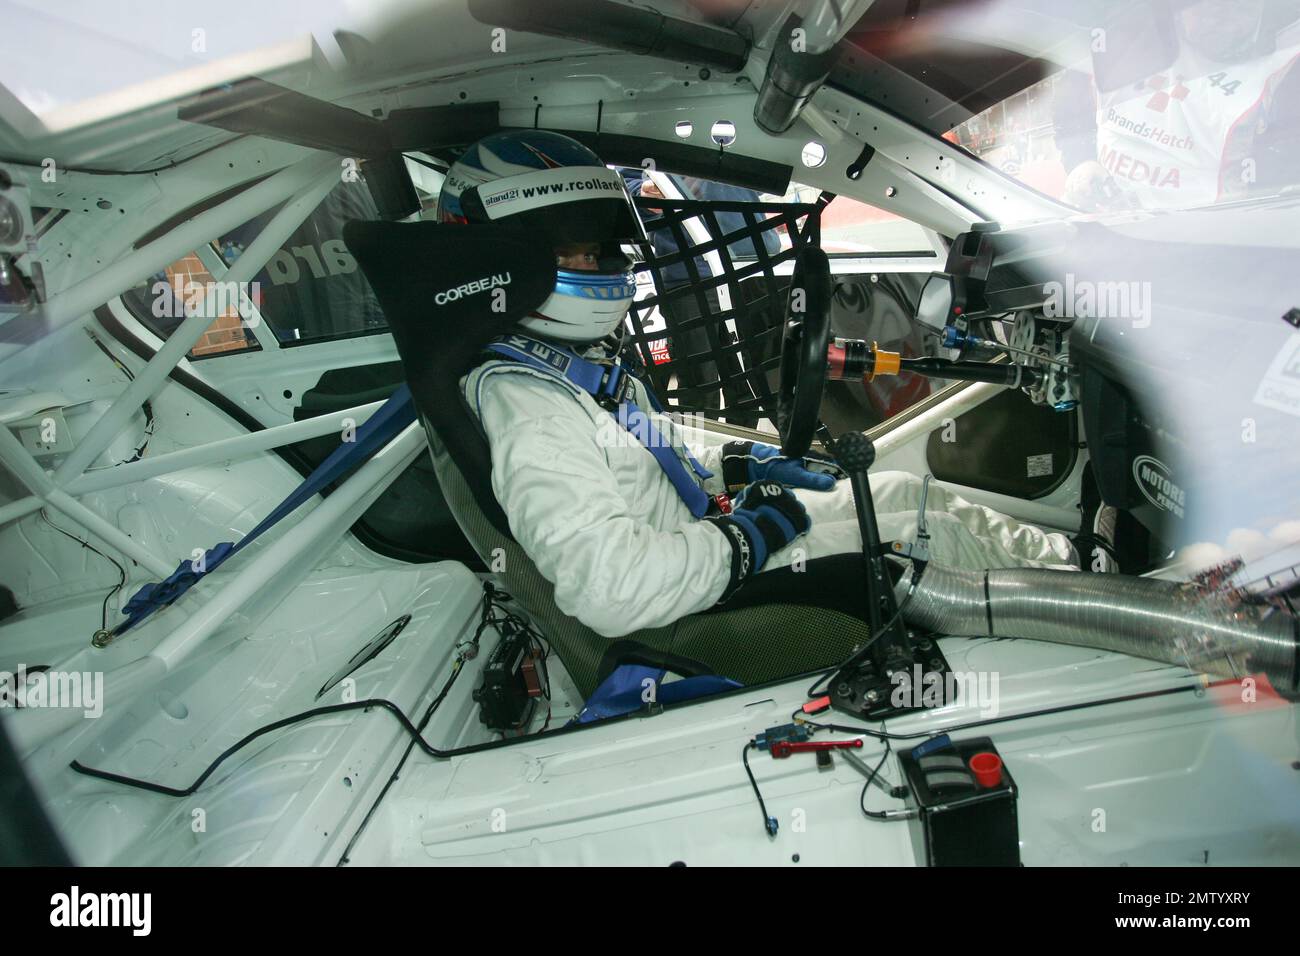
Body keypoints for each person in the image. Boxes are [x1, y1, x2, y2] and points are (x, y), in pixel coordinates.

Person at [438, 131, 1078, 638]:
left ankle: (1073, 563)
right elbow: (610, 588)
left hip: (703, 537)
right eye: (564, 253)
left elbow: (645, 448)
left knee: (909, 491)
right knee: (929, 531)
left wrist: (741, 461)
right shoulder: (528, 407)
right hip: (706, 589)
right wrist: (751, 536)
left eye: (594, 248)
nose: (589, 266)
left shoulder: (558, 364)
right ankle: (1093, 593)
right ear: (496, 260)